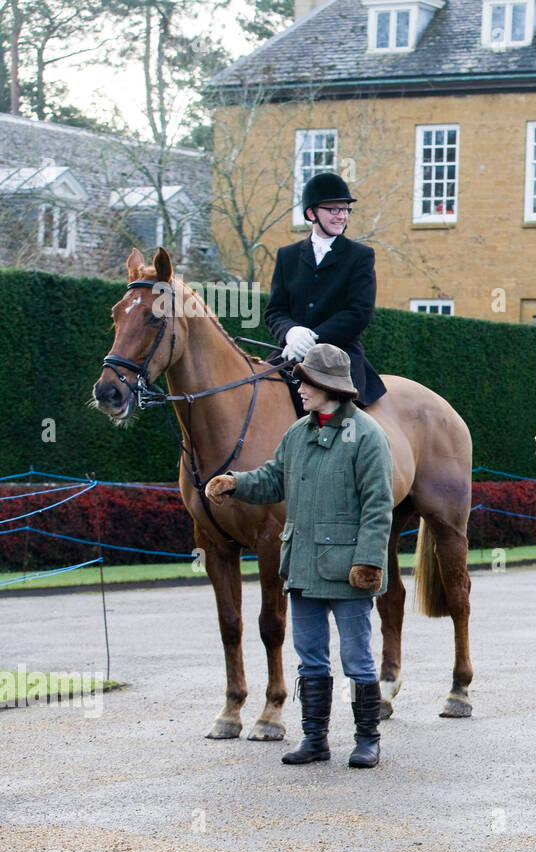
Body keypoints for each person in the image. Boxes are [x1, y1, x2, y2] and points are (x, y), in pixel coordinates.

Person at [205, 344, 394, 768]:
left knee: (357, 659)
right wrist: (234, 483)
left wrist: (368, 563)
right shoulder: (297, 433)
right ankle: (315, 739)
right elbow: (273, 480)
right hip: (304, 567)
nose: (299, 387)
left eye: (305, 381)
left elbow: (379, 506)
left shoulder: (367, 435)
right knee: (310, 658)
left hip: (349, 572)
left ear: (328, 386)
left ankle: (367, 739)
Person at [265, 172, 387, 412]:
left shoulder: (360, 256)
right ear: (312, 214)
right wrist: (291, 333)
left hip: (339, 357)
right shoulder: (287, 256)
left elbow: (359, 312)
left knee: (330, 408)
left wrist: (312, 337)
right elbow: (275, 310)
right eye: (334, 209)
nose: (341, 215)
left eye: (345, 210)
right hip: (292, 353)